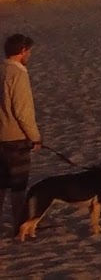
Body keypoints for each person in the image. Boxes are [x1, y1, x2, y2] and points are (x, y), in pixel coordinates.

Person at [1, 34, 42, 236]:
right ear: (22, 51)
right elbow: (22, 111)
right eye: (29, 51)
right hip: (15, 138)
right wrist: (35, 137)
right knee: (18, 185)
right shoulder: (18, 74)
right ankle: (19, 224)